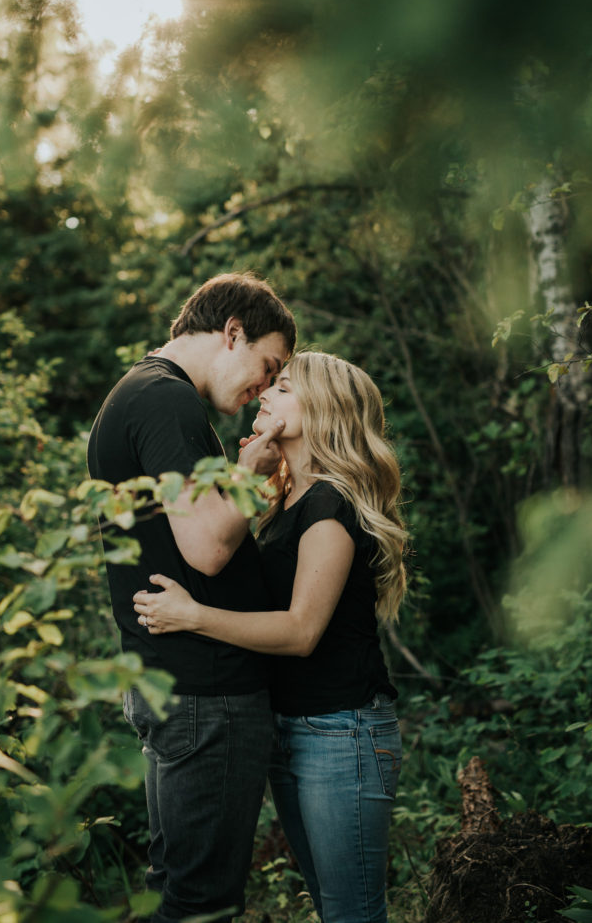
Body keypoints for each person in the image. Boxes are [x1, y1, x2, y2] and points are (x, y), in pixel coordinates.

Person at [133, 350, 409, 923]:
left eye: (283, 387)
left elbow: (300, 631)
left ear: (323, 409)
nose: (264, 393)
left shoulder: (329, 508)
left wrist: (192, 616)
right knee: (331, 903)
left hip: (341, 731)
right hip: (293, 727)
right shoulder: (287, 503)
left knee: (351, 913)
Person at [86, 272, 296, 923]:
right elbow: (205, 545)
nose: (265, 385)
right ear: (232, 331)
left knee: (176, 891)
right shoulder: (166, 401)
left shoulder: (142, 393)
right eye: (268, 364)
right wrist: (253, 470)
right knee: (201, 905)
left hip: (179, 683)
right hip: (207, 691)